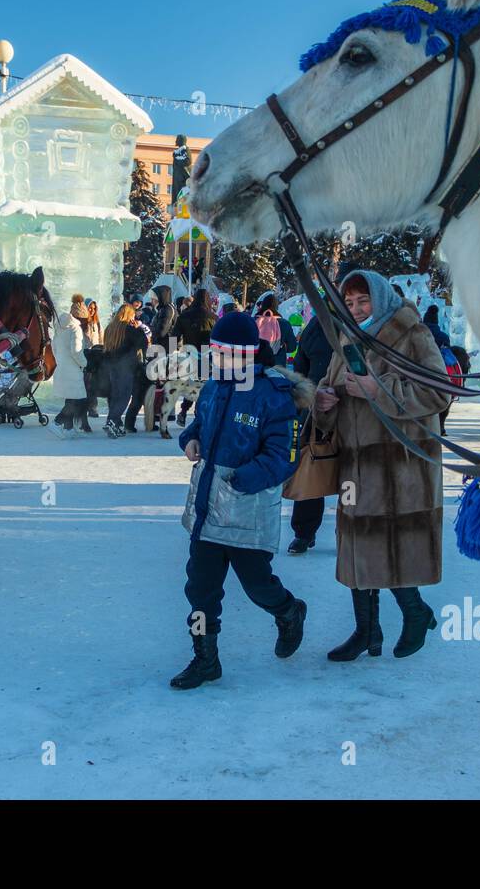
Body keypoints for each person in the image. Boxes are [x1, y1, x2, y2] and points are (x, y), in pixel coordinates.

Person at [313, 270, 450, 661]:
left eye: (363, 301)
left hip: (401, 465)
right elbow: (331, 384)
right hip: (356, 465)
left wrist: (380, 390)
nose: (355, 310)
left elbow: (439, 391)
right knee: (361, 545)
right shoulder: (347, 336)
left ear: (381, 297)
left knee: (394, 544)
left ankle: (415, 612)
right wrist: (323, 402)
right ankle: (366, 631)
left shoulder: (412, 333)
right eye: (350, 303)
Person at [171, 311, 308, 690]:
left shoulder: (273, 395)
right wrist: (191, 440)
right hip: (207, 509)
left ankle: (288, 611)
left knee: (257, 586)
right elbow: (199, 423)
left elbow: (283, 456)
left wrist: (242, 478)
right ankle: (205, 659)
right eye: (218, 353)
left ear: (250, 354)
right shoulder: (214, 386)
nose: (224, 361)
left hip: (247, 511)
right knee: (199, 589)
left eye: (232, 354)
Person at [285, 308, 335, 555]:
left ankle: (349, 531)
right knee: (311, 469)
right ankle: (304, 532)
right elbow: (300, 368)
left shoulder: (367, 325)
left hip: (358, 412)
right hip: (315, 409)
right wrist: (303, 399)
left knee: (353, 476)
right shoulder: (317, 325)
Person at [100, 303, 150, 438]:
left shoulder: (110, 328)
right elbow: (144, 343)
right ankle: (111, 421)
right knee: (124, 397)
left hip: (111, 367)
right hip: (127, 366)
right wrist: (138, 328)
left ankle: (114, 424)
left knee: (116, 396)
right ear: (129, 314)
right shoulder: (129, 329)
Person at [50, 294, 91, 437]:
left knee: (70, 398)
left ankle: (68, 428)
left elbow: (53, 348)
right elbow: (76, 351)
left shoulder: (60, 328)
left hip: (61, 368)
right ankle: (57, 422)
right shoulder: (76, 329)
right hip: (73, 370)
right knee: (76, 400)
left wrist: (60, 361)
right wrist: (85, 364)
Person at [175, 292, 217, 428]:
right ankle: (199, 414)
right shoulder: (213, 317)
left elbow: (174, 336)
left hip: (188, 354)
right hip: (206, 356)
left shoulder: (184, 316)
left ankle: (183, 410)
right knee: (202, 386)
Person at [253, 291, 297, 368]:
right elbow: (292, 347)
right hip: (277, 366)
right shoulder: (284, 323)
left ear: (262, 305)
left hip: (255, 365)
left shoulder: (253, 322)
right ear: (276, 307)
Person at [83, 299, 103, 418]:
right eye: (90, 307)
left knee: (93, 383)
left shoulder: (97, 323)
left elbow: (101, 338)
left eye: (94, 308)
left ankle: (92, 407)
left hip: (95, 356)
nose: (92, 310)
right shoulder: (81, 322)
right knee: (85, 383)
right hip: (85, 355)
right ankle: (84, 408)